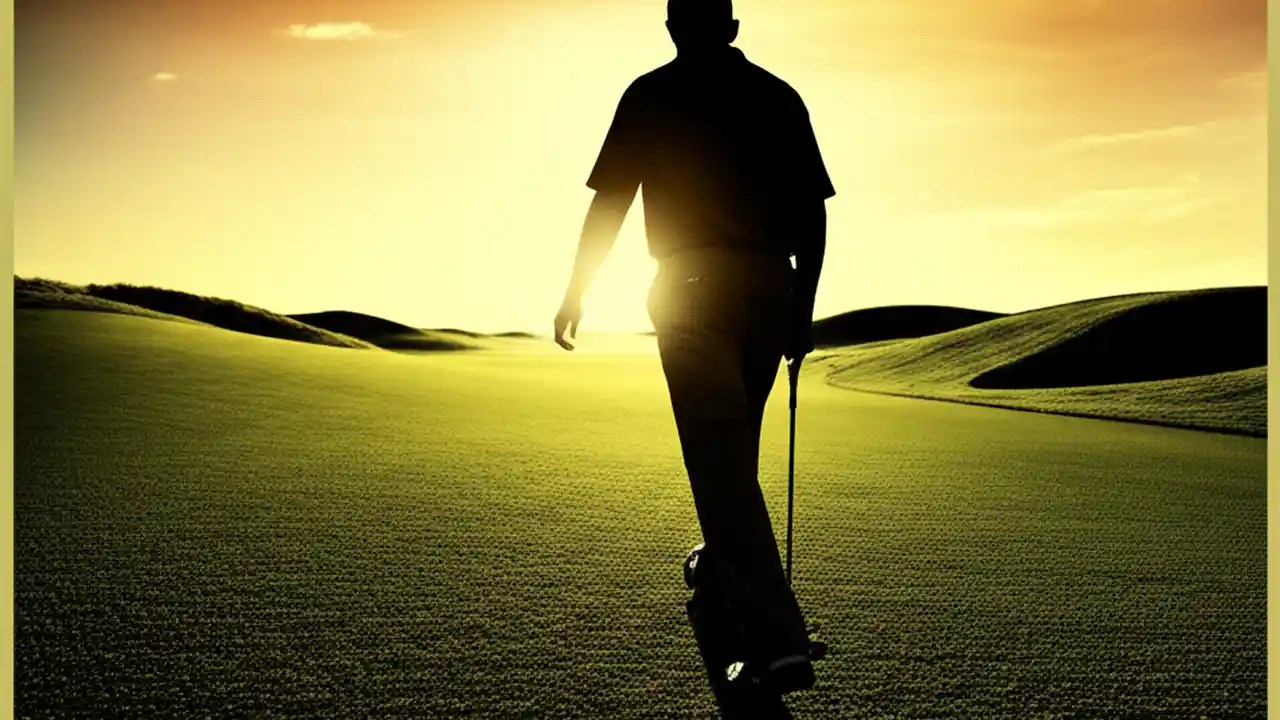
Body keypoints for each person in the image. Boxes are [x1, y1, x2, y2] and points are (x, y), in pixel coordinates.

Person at [552, 0, 833, 694]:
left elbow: (611, 201)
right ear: (732, 28)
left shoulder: (652, 93)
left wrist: (576, 291)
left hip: (691, 287)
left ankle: (776, 645)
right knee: (735, 448)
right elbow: (813, 213)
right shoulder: (776, 94)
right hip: (770, 286)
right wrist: (803, 305)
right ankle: (720, 565)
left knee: (717, 457)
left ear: (674, 26)